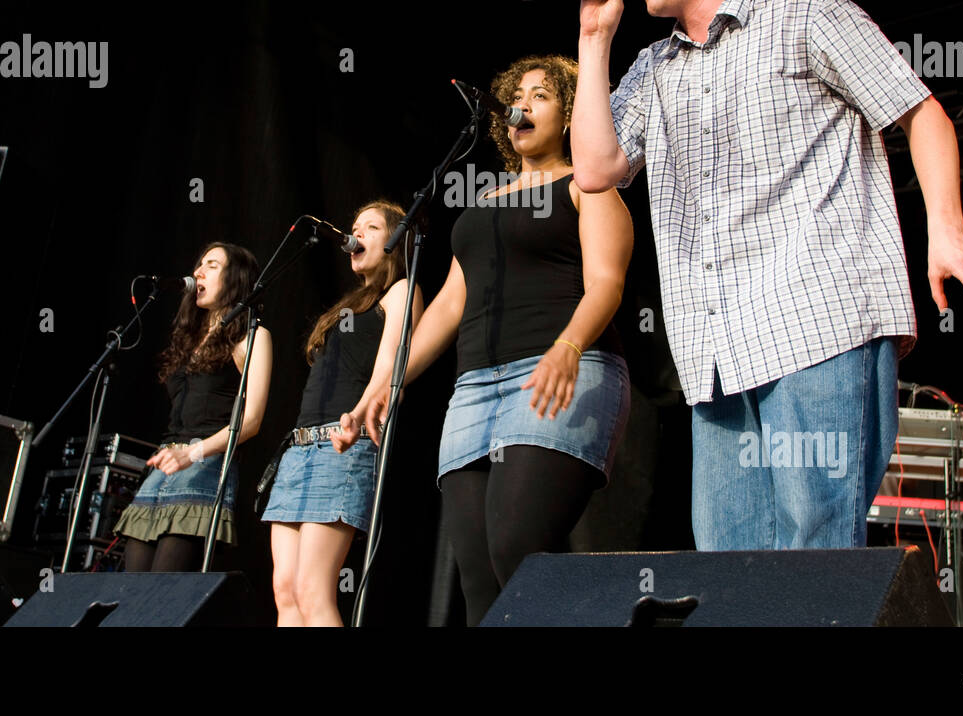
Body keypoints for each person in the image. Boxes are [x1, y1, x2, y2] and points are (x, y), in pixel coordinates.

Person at [570, 0, 963, 553]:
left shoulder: (800, 7)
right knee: (729, 573)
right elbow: (596, 169)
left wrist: (945, 229)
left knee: (817, 554)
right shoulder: (652, 64)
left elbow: (920, 111)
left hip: (817, 321)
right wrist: (593, 38)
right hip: (712, 350)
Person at [336, 55, 634, 626]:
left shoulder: (588, 185)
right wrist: (386, 384)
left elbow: (607, 283)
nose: (521, 105)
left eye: (541, 95)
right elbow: (451, 303)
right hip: (474, 392)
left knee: (515, 548)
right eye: (515, 96)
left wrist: (567, 346)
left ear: (571, 114)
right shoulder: (484, 202)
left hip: (561, 372)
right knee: (477, 581)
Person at [261, 201, 423, 626]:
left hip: (342, 446)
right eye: (355, 227)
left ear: (394, 242)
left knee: (314, 591)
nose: (356, 234)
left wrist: (357, 412)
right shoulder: (350, 303)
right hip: (299, 450)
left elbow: (390, 368)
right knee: (286, 593)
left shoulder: (403, 290)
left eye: (371, 227)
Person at [115, 241, 273, 571]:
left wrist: (192, 453)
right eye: (198, 264)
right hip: (164, 467)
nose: (197, 272)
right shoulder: (190, 339)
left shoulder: (251, 337)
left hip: (204, 467)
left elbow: (252, 420)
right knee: (129, 589)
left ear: (236, 278)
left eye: (212, 265)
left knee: (163, 591)